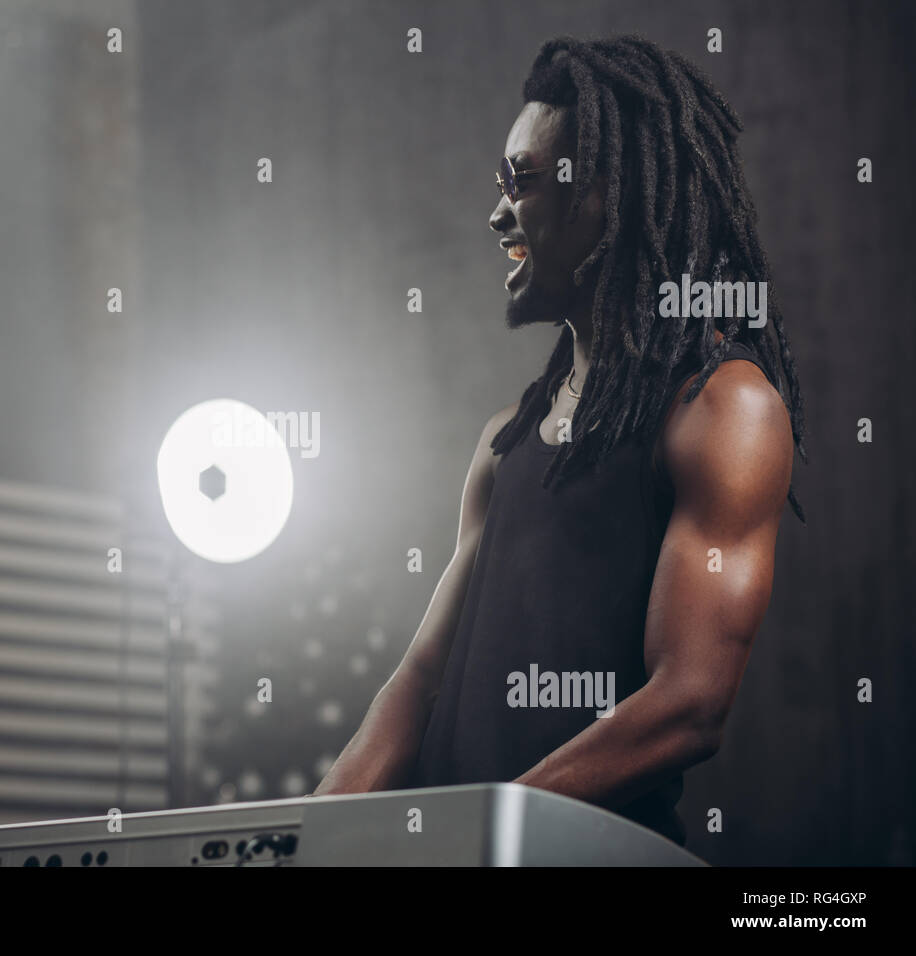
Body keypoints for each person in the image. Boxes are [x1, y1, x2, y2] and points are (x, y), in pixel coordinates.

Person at [312, 36, 808, 845]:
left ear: (608, 196)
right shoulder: (504, 441)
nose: (499, 211)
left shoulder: (724, 408)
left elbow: (689, 704)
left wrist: (486, 830)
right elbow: (423, 680)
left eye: (524, 182)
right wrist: (304, 840)